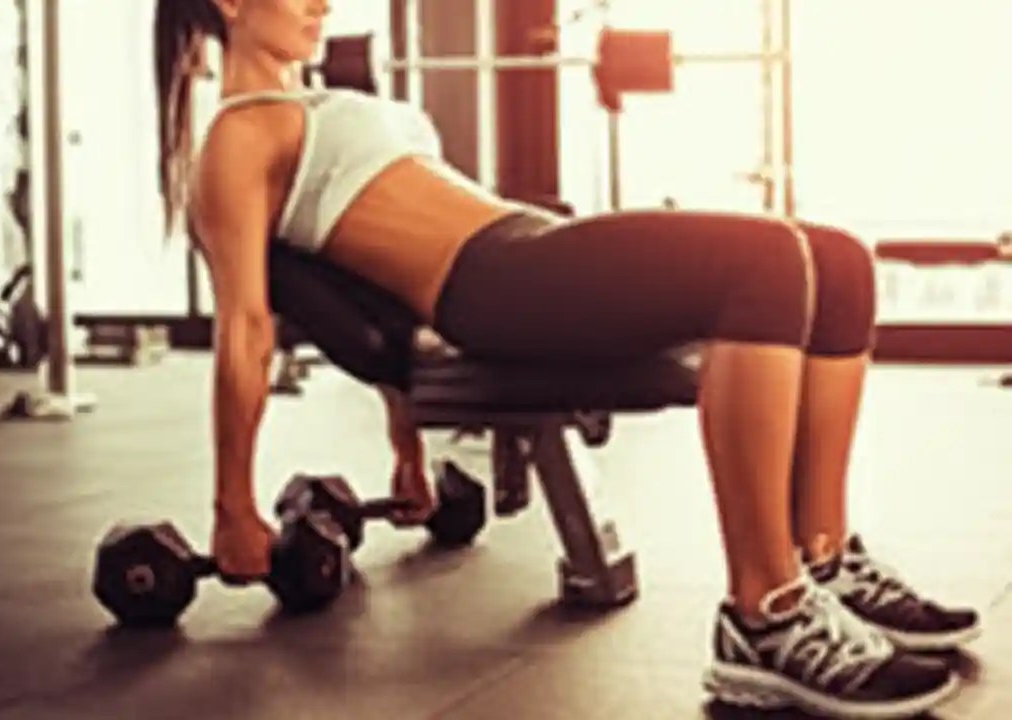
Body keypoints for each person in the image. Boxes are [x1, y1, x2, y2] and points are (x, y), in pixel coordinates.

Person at [154, 0, 981, 716]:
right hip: (489, 282)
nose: (324, 4)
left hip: (527, 242)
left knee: (838, 260)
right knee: (765, 264)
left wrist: (404, 453)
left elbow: (368, 310)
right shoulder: (237, 137)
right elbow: (249, 326)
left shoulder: (328, 100)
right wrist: (233, 505)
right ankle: (764, 614)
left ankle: (824, 556)